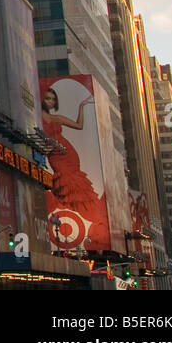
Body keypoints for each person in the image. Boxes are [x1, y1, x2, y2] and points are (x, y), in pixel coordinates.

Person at [41, 85, 109, 249]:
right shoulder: (36, 115)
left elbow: (79, 126)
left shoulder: (57, 118)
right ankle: (69, 215)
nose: (51, 102)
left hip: (68, 153)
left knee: (76, 186)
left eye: (53, 99)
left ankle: (82, 216)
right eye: (48, 98)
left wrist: (81, 107)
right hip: (55, 157)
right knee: (64, 184)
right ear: (42, 99)